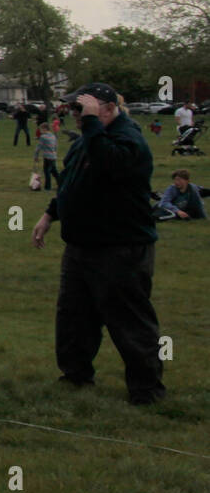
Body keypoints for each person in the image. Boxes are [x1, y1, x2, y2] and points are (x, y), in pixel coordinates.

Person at [31, 82, 164, 405]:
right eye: (74, 109)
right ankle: (75, 375)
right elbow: (72, 181)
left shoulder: (128, 139)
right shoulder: (87, 140)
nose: (75, 115)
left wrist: (92, 126)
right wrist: (50, 214)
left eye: (82, 109)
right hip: (81, 246)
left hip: (121, 248)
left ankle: (146, 389)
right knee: (74, 317)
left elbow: (111, 164)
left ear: (106, 109)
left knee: (128, 320)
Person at [35, 121, 59, 191]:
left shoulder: (43, 137)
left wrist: (36, 156)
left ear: (45, 129)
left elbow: (38, 147)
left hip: (47, 157)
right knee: (54, 171)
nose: (41, 131)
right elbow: (56, 146)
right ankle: (61, 183)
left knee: (47, 172)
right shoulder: (53, 136)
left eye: (41, 129)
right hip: (53, 156)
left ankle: (47, 187)